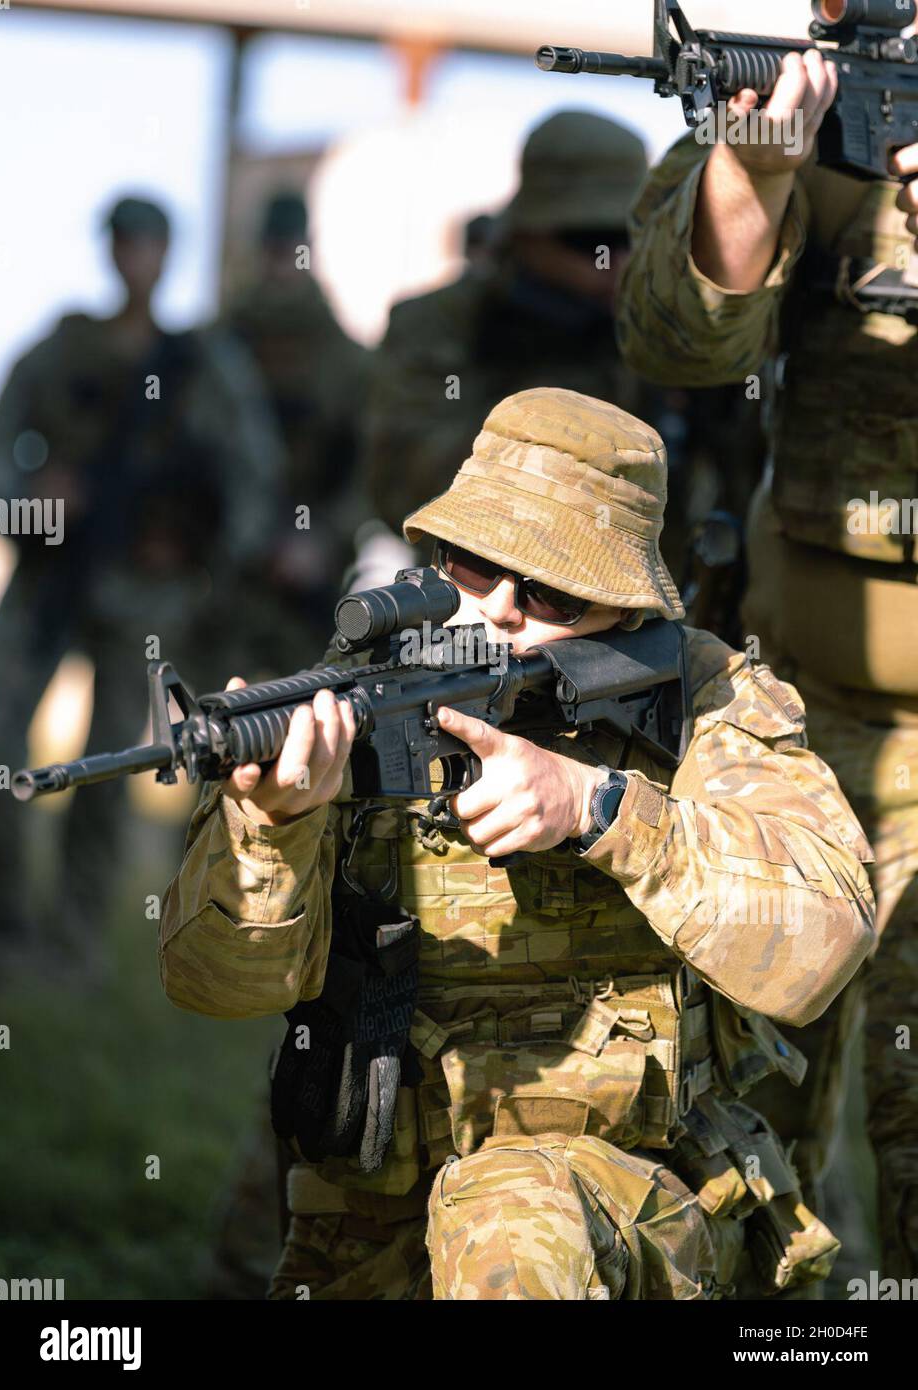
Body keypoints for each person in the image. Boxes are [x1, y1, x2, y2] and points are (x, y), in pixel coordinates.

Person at [160, 387, 874, 1300]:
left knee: (513, 1208)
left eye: (547, 589)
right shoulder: (357, 698)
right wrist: (271, 829)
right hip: (380, 1223)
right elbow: (211, 985)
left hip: (628, 1206)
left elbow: (824, 945)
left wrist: (601, 811)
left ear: (622, 607)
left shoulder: (709, 700)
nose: (497, 609)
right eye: (469, 565)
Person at [614, 49, 918, 1277]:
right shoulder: (836, 150)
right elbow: (672, 337)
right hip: (799, 721)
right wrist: (752, 176)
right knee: (746, 1139)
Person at [0, 195, 282, 973]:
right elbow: (1, 457)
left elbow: (252, 475)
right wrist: (35, 498)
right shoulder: (63, 348)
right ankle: (6, 922)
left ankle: (73, 944)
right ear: (109, 249)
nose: (136, 258)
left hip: (143, 596)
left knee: (110, 765)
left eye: (149, 243)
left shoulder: (200, 362)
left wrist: (194, 551)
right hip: (55, 575)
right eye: (124, 242)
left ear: (167, 253)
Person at [362, 109, 763, 593]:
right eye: (589, 241)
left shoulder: (653, 328)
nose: (614, 262)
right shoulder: (442, 326)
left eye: (630, 238)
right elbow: (401, 492)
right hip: (486, 605)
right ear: (526, 234)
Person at [224, 190, 371, 665]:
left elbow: (372, 467)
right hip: (224, 575)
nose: (281, 264)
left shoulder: (344, 359)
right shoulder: (221, 347)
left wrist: (322, 539)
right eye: (273, 250)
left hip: (312, 573)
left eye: (290, 250)